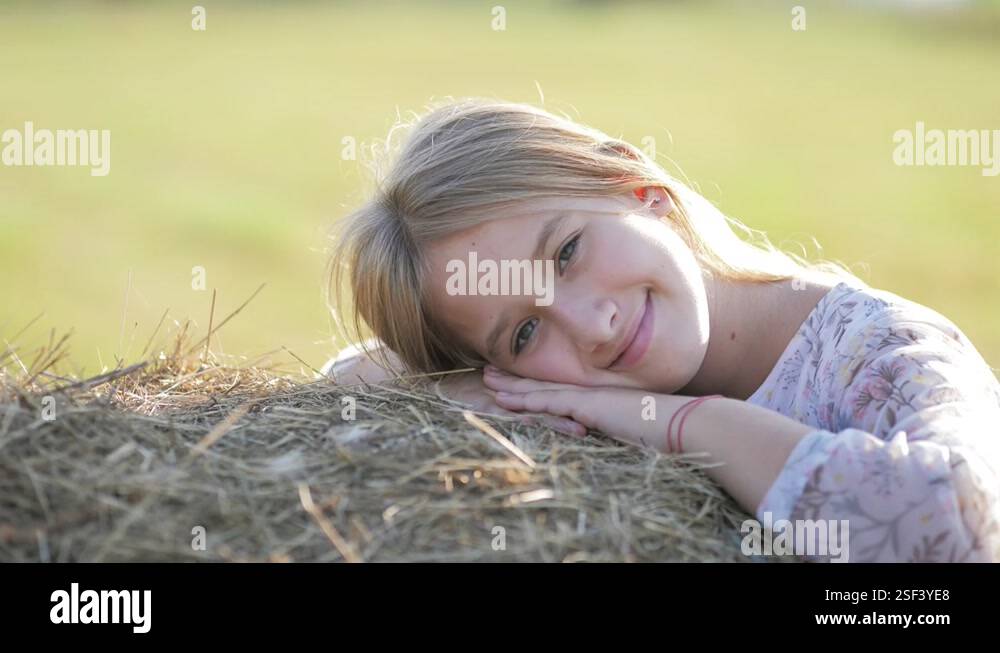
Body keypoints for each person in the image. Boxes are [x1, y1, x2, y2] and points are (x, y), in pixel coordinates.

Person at [324, 98, 1000, 562]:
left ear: (634, 185)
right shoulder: (547, 389)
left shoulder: (878, 350)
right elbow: (348, 377)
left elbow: (960, 528)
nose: (591, 324)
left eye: (566, 252)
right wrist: (473, 391)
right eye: (525, 332)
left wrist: (682, 422)